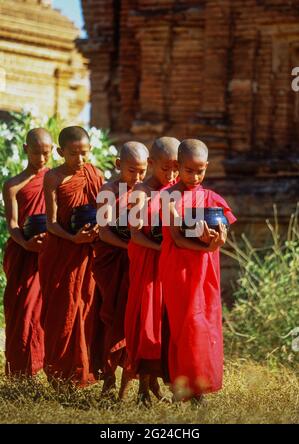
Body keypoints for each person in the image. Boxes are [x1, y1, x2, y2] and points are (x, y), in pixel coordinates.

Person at [159, 139, 237, 402]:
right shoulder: (168, 196)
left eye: (200, 170)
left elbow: (223, 228)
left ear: (207, 167)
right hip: (179, 266)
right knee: (186, 323)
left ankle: (200, 385)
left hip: (205, 268)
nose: (195, 176)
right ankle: (184, 385)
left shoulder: (211, 198)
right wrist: (207, 247)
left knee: (205, 322)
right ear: (177, 166)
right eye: (189, 170)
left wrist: (217, 243)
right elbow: (178, 238)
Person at [39, 126, 103, 386]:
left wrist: (98, 229)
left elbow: (105, 213)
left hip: (89, 252)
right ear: (60, 151)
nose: (80, 160)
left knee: (87, 309)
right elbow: (51, 223)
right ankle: (58, 374)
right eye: (73, 153)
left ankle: (85, 372)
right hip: (61, 252)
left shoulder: (95, 174)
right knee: (61, 312)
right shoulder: (53, 177)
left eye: (84, 153)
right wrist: (73, 238)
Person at [125, 136, 180, 406]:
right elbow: (135, 235)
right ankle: (143, 391)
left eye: (175, 169)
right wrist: (163, 249)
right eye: (165, 168)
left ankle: (168, 384)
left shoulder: (177, 190)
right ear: (151, 163)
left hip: (171, 269)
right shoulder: (140, 193)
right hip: (148, 265)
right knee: (147, 325)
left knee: (169, 326)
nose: (170, 174)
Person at [94, 141, 149, 399]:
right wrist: (129, 246)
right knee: (112, 321)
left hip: (138, 265)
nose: (137, 177)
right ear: (118, 165)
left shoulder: (146, 192)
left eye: (142, 171)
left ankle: (126, 389)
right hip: (113, 263)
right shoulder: (107, 191)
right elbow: (104, 233)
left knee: (133, 324)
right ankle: (108, 382)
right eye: (131, 171)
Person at [3, 128, 53, 376]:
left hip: (52, 252)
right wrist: (25, 243)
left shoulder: (57, 179)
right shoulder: (12, 185)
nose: (41, 159)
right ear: (25, 150)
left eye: (46, 153)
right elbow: (12, 223)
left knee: (48, 310)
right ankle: (22, 371)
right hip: (23, 252)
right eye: (36, 153)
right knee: (23, 310)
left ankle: (53, 368)